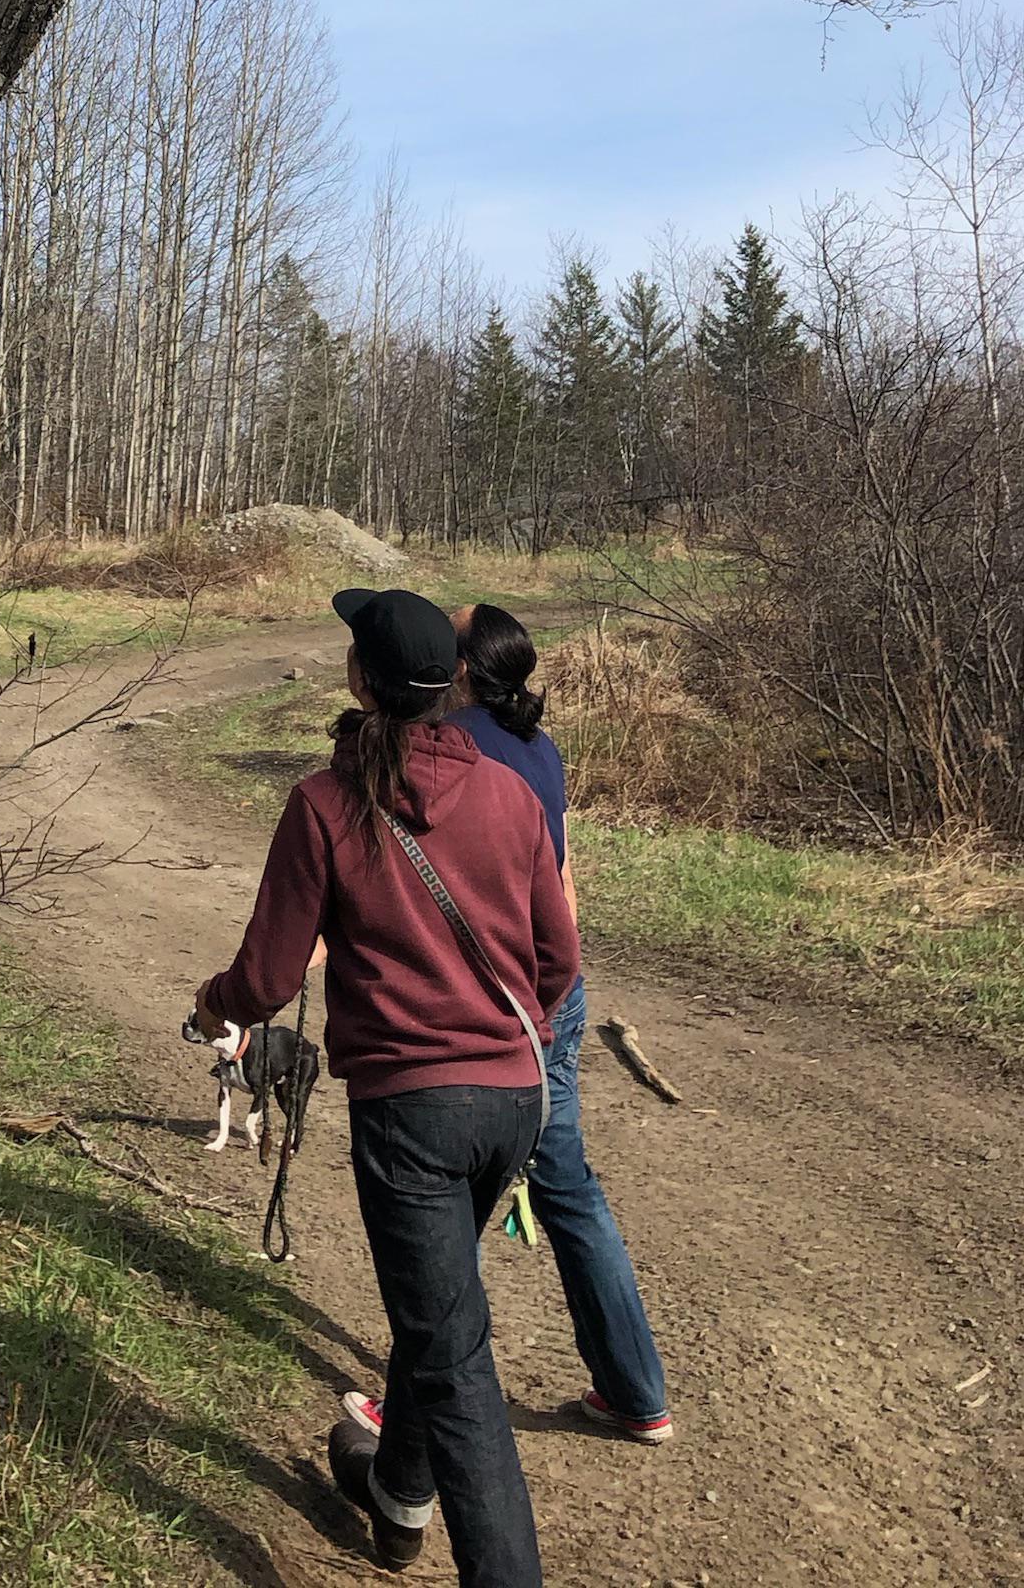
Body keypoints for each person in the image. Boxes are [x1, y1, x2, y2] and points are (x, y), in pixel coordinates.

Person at [192, 587, 577, 1586]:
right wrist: (507, 1032)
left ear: (360, 680)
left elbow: (270, 981)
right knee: (438, 1313)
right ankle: (398, 1500)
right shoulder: (510, 795)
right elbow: (559, 958)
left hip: (412, 1113)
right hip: (515, 1098)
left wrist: (213, 1003)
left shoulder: (327, 801)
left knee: (455, 1364)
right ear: (450, 684)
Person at [449, 600, 672, 1443]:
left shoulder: (452, 751)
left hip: (490, 1003)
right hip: (553, 992)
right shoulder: (545, 752)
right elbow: (563, 888)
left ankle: (423, 1409)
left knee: (447, 1202)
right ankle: (634, 1390)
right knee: (566, 1186)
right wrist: (556, 999)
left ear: (464, 668)